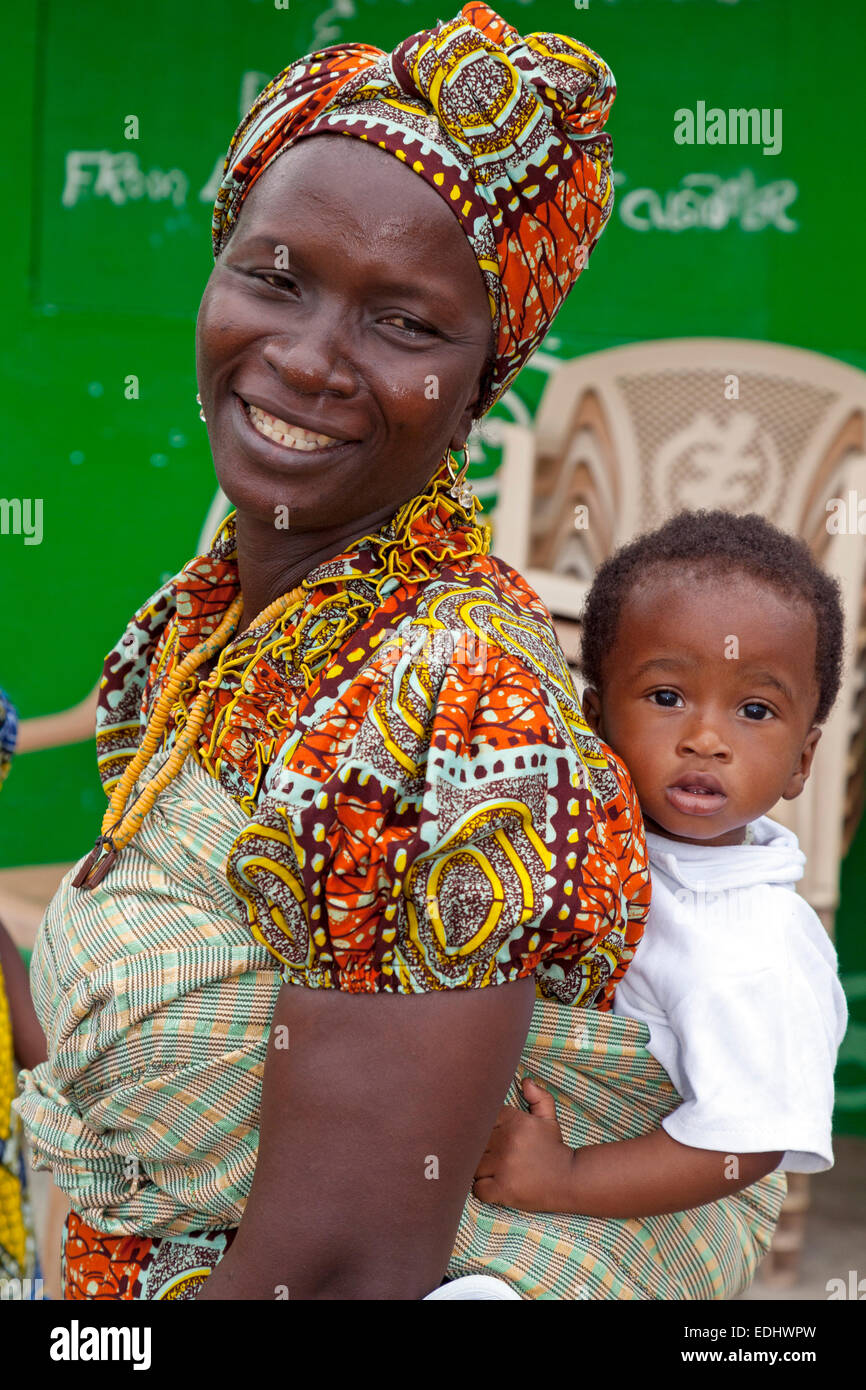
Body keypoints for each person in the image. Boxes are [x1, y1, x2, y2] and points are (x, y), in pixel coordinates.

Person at [15, 4, 651, 1300]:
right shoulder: (210, 625)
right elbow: (132, 1044)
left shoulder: (457, 714)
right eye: (274, 274)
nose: (304, 359)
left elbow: (344, 1268)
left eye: (404, 322)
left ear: (485, 379)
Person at [469, 512, 848, 1279]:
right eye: (668, 695)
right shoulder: (567, 841)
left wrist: (567, 1179)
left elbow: (747, 1143)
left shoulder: (757, 946)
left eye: (755, 710)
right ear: (594, 719)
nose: (706, 738)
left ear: (802, 762)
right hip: (537, 1162)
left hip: (671, 1210)